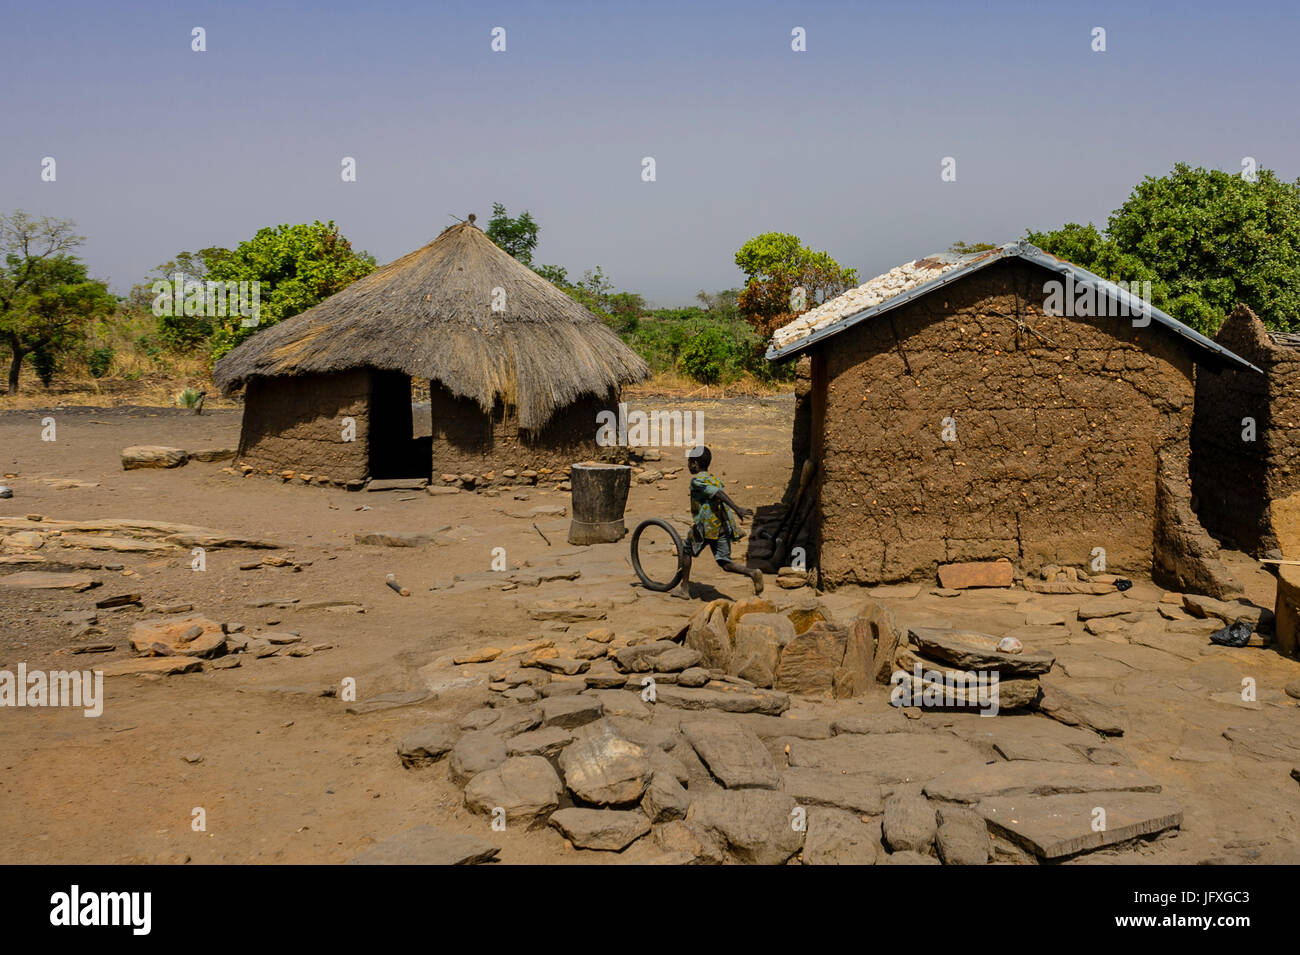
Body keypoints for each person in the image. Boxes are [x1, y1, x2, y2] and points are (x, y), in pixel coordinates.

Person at [675, 445, 764, 598]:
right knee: (725, 563)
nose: (688, 465)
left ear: (695, 463)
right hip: (721, 526)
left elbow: (717, 493)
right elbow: (718, 495)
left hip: (706, 527)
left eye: (689, 462)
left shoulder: (697, 481)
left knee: (686, 550)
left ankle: (684, 588)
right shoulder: (714, 478)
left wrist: (737, 508)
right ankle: (752, 572)